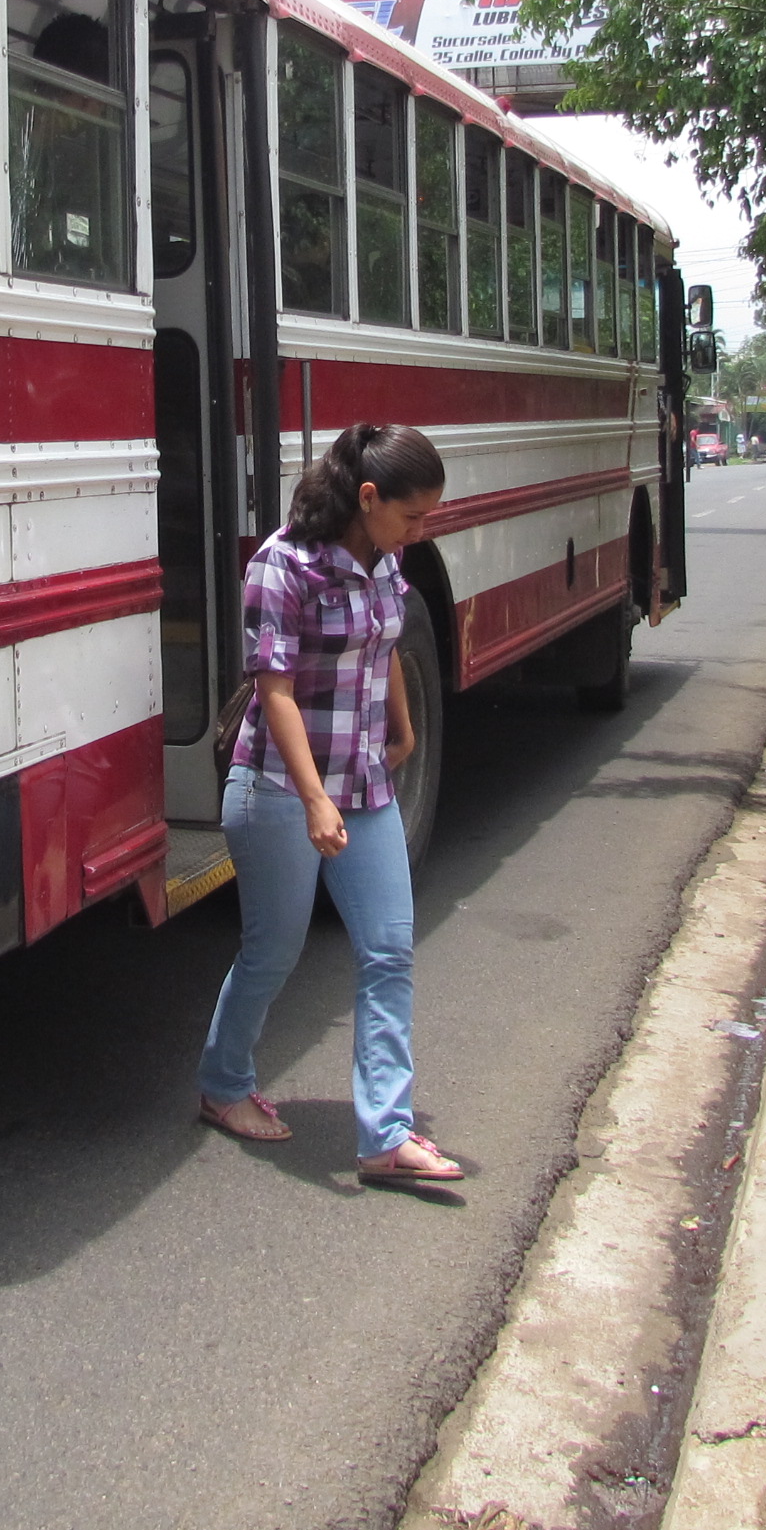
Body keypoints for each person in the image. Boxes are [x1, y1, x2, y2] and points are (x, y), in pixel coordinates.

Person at [197, 422, 465, 1189]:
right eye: (413, 515)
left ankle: (385, 1134)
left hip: (364, 785)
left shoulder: (387, 558)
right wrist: (315, 799)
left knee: (388, 951)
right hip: (281, 790)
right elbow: (274, 691)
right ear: (368, 497)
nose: (421, 530)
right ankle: (223, 1085)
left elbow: (384, 649)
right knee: (273, 951)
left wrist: (405, 728)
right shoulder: (281, 567)